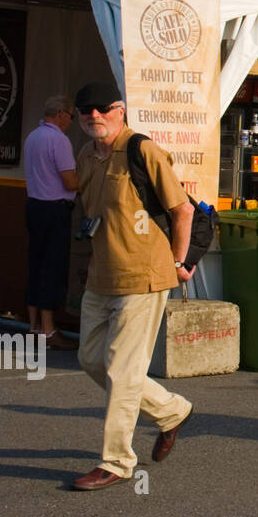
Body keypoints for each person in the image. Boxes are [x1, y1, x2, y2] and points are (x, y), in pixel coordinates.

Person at [70, 81, 194, 491]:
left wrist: (178, 261)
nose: (94, 117)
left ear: (120, 109)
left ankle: (117, 461)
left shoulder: (142, 150)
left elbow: (182, 210)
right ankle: (171, 410)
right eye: (86, 111)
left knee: (123, 370)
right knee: (92, 360)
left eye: (103, 109)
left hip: (144, 275)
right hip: (101, 276)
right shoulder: (87, 156)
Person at [23, 95, 80, 351]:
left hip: (34, 205)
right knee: (52, 268)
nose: (72, 121)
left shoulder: (33, 137)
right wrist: (89, 179)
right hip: (55, 209)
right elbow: (70, 181)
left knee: (35, 264)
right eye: (71, 116)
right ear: (61, 113)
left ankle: (33, 327)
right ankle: (48, 330)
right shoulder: (59, 140)